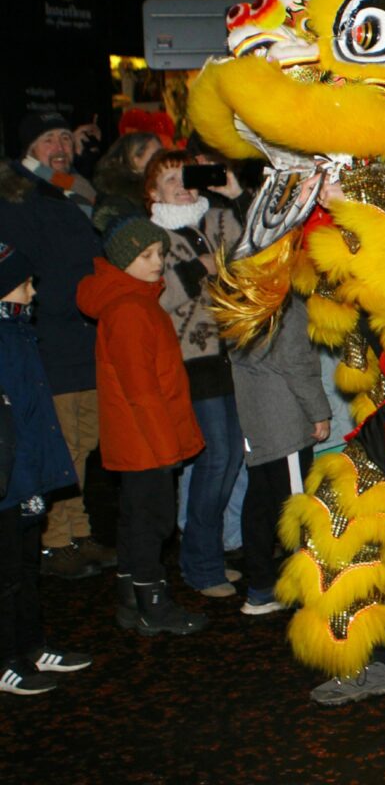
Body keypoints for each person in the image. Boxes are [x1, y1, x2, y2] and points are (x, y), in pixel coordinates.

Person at [76, 217, 207, 637]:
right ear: (122, 260)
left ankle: (132, 601)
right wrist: (166, 448)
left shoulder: (134, 300)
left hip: (141, 439)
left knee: (138, 520)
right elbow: (142, 390)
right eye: (146, 255)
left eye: (160, 254)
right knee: (152, 522)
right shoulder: (130, 308)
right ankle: (154, 605)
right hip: (147, 441)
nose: (158, 262)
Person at [0, 111, 112, 580]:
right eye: (48, 138)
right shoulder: (17, 199)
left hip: (85, 339)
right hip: (50, 340)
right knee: (62, 445)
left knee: (84, 445)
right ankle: (55, 540)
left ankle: (79, 531)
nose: (60, 145)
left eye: (65, 137)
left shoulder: (75, 192)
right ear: (29, 149)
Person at [143, 150, 246, 598]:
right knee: (215, 459)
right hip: (191, 363)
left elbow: (255, 246)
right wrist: (199, 267)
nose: (182, 186)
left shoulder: (214, 223)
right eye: (169, 179)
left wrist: (235, 192)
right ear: (151, 192)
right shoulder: (151, 234)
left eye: (186, 177)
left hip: (230, 359)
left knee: (232, 460)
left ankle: (209, 556)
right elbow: (156, 298)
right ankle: (200, 566)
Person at [0, 241, 91, 694]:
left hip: (24, 475)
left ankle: (31, 645)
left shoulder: (17, 332)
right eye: (25, 284)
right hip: (7, 478)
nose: (33, 292)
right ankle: (6, 660)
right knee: (6, 576)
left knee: (25, 569)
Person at [229, 298, 330, 616]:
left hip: (257, 420)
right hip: (284, 424)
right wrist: (319, 412)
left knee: (259, 503)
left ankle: (260, 587)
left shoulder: (241, 302)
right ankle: (310, 590)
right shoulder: (283, 307)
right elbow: (297, 363)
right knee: (296, 508)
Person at [90, 131, 163, 228]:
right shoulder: (118, 202)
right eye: (156, 156)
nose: (162, 160)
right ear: (135, 158)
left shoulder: (151, 191)